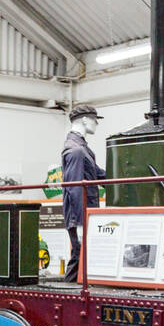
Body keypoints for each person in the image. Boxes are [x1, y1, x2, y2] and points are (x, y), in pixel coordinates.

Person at [61, 104, 107, 282]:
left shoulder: (81, 148)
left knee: (82, 256)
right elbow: (74, 188)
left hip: (86, 213)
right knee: (80, 256)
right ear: (86, 119)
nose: (96, 124)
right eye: (95, 120)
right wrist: (80, 223)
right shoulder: (76, 150)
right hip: (80, 215)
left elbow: (100, 175)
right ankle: (69, 292)